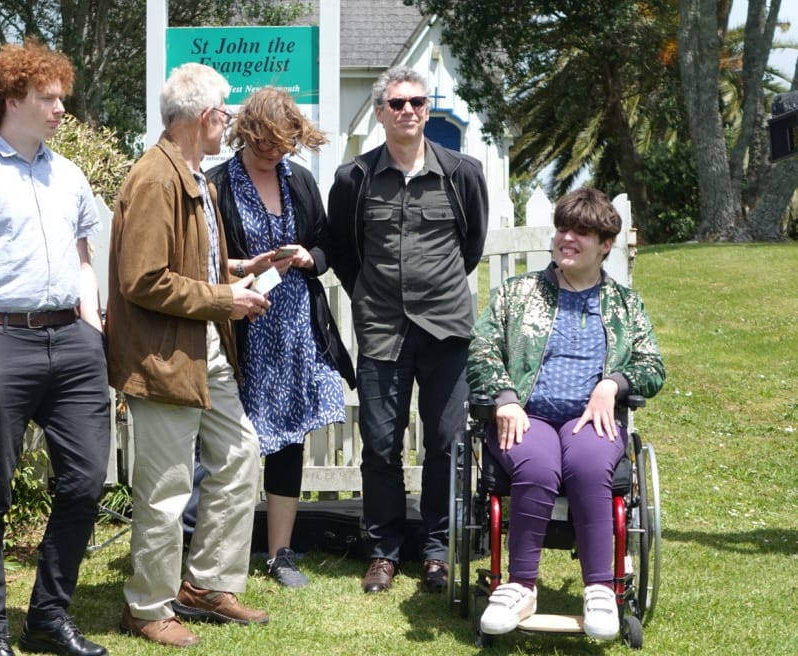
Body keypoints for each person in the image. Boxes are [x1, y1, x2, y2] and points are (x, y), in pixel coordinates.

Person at [0, 39, 110, 656]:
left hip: (74, 344)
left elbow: (84, 260)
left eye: (63, 97)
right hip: (0, 339)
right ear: (12, 100)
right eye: (49, 98)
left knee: (85, 483)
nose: (61, 108)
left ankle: (48, 618)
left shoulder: (70, 173)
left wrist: (92, 329)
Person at [106, 62, 272, 648]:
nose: (227, 125)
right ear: (204, 117)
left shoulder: (192, 174)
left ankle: (205, 584)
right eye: (224, 116)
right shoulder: (156, 179)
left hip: (203, 348)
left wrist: (235, 270)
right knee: (167, 486)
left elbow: (185, 263)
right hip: (163, 357)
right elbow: (143, 279)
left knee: (238, 456)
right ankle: (146, 605)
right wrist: (225, 297)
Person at [468, 188, 665, 640]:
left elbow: (652, 366)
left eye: (582, 232)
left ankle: (600, 587)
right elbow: (480, 351)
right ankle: (520, 586)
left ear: (605, 245)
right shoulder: (517, 294)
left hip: (589, 422)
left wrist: (613, 384)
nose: (568, 238)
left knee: (590, 463)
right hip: (526, 417)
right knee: (536, 464)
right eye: (563, 228)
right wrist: (505, 397)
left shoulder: (624, 306)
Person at [327, 65, 489, 594]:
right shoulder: (354, 179)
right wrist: (373, 298)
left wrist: (433, 292)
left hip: (446, 330)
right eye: (396, 103)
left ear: (427, 108)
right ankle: (384, 552)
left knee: (445, 443)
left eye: (417, 102)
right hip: (381, 330)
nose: (408, 111)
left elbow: (471, 248)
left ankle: (438, 551)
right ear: (379, 112)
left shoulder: (462, 173)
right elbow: (347, 254)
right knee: (379, 446)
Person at [206, 86, 355, 588]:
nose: (274, 154)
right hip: (240, 328)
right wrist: (244, 269)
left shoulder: (302, 181)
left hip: (295, 327)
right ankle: (222, 548)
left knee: (289, 441)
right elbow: (202, 261)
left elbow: (326, 243)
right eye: (265, 145)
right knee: (235, 444)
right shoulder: (215, 184)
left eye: (283, 146)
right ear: (245, 134)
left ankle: (280, 554)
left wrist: (310, 258)